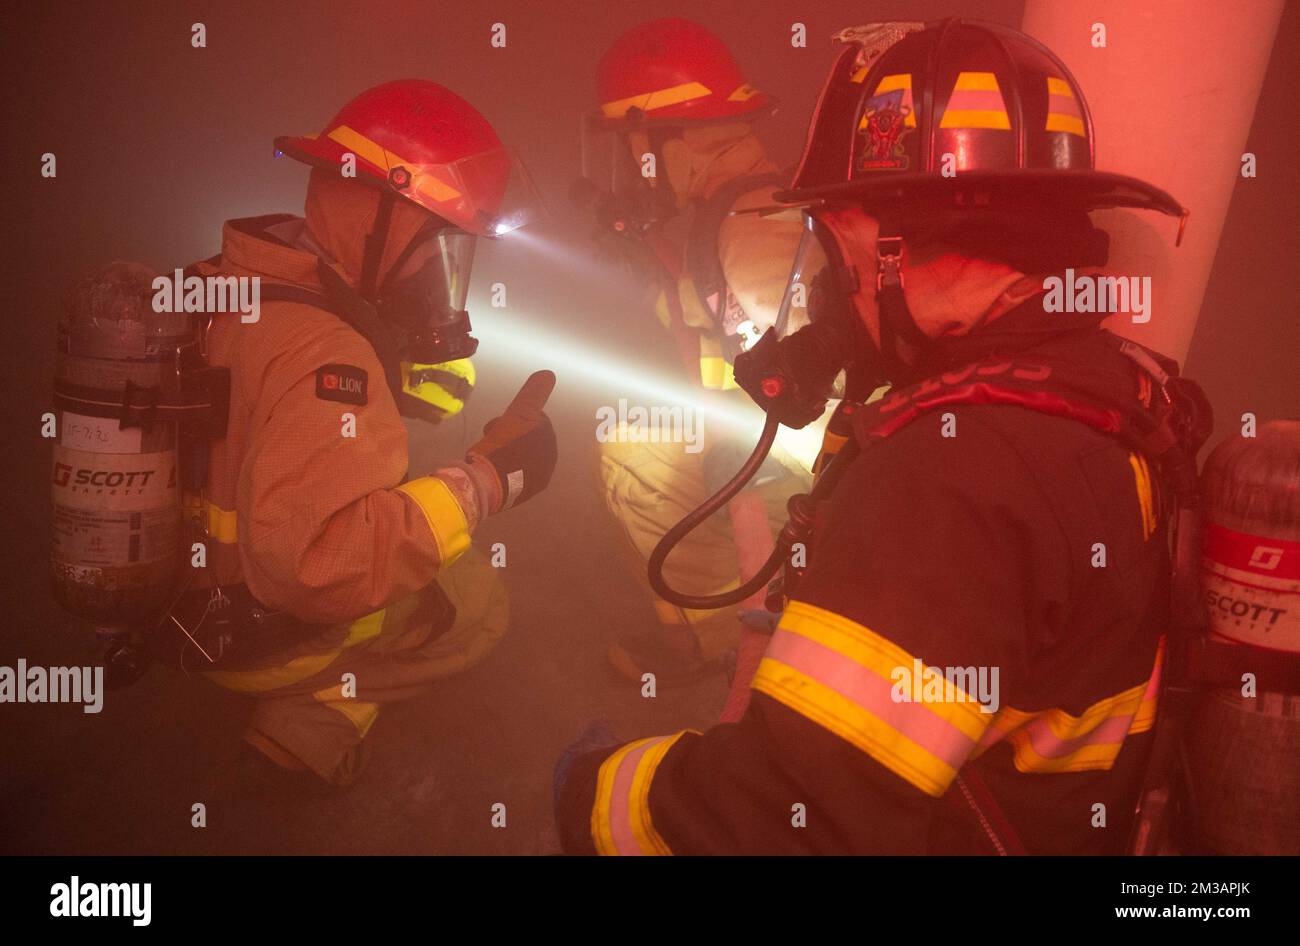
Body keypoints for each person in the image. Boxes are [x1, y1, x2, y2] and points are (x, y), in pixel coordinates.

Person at [556, 19, 1206, 854]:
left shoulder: (947, 481)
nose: (838, 296)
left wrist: (589, 794)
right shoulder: (1117, 385)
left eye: (843, 258)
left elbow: (775, 821)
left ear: (899, 248)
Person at [171, 80, 557, 790]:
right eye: (440, 251)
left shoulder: (235, 281)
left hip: (184, 605)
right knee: (475, 601)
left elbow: (271, 408)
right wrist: (485, 483)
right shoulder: (330, 354)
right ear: (379, 221)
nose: (445, 281)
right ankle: (309, 719)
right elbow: (316, 568)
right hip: (256, 638)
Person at [576, 17, 821, 682]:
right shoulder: (739, 213)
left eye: (633, 150)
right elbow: (726, 340)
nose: (629, 170)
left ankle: (729, 630)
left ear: (672, 144)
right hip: (790, 458)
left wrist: (741, 460)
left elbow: (821, 388)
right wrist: (655, 265)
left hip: (810, 476)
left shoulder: (752, 229)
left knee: (634, 451)